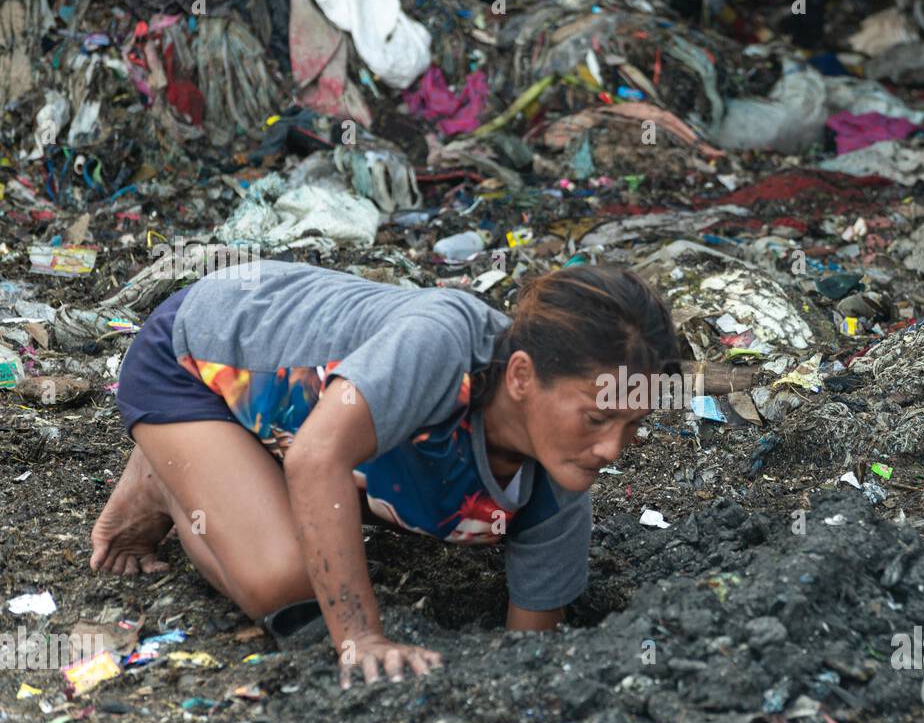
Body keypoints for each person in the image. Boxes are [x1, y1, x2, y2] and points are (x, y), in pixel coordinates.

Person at [90, 261, 679, 687]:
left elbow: (530, 642)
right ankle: (167, 475)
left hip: (316, 427)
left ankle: (225, 464)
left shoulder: (562, 471)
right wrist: (360, 636)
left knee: (382, 474)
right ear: (521, 377)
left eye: (631, 426)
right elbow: (317, 462)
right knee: (287, 587)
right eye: (598, 417)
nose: (611, 449)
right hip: (198, 362)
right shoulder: (440, 346)